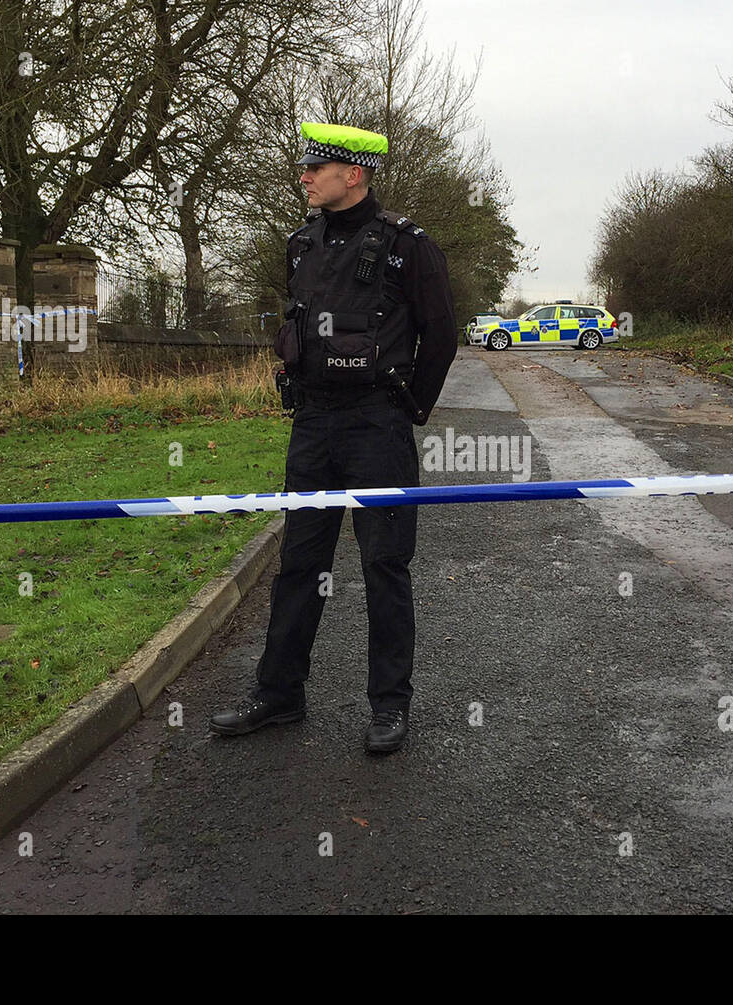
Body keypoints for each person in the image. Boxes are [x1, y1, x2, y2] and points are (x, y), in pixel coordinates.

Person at [210, 122, 457, 753]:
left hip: (377, 424)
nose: (303, 176)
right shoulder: (299, 244)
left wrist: (409, 408)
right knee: (300, 562)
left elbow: (441, 336)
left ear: (354, 173)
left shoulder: (408, 246)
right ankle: (279, 694)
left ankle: (389, 706)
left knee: (383, 564)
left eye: (314, 167)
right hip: (314, 423)